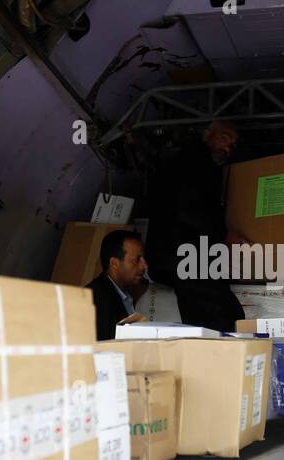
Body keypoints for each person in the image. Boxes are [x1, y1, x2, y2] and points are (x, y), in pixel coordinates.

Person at [144, 119, 247, 333]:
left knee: (204, 310)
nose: (228, 148)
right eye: (225, 139)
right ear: (207, 134)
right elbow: (190, 208)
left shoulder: (188, 160)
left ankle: (211, 351)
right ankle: (222, 351)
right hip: (183, 252)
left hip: (177, 255)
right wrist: (224, 236)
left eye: (232, 145)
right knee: (221, 311)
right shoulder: (196, 161)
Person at [87, 229, 148, 341]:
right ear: (114, 263)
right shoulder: (96, 300)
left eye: (144, 259)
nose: (144, 266)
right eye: (136, 260)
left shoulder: (124, 294)